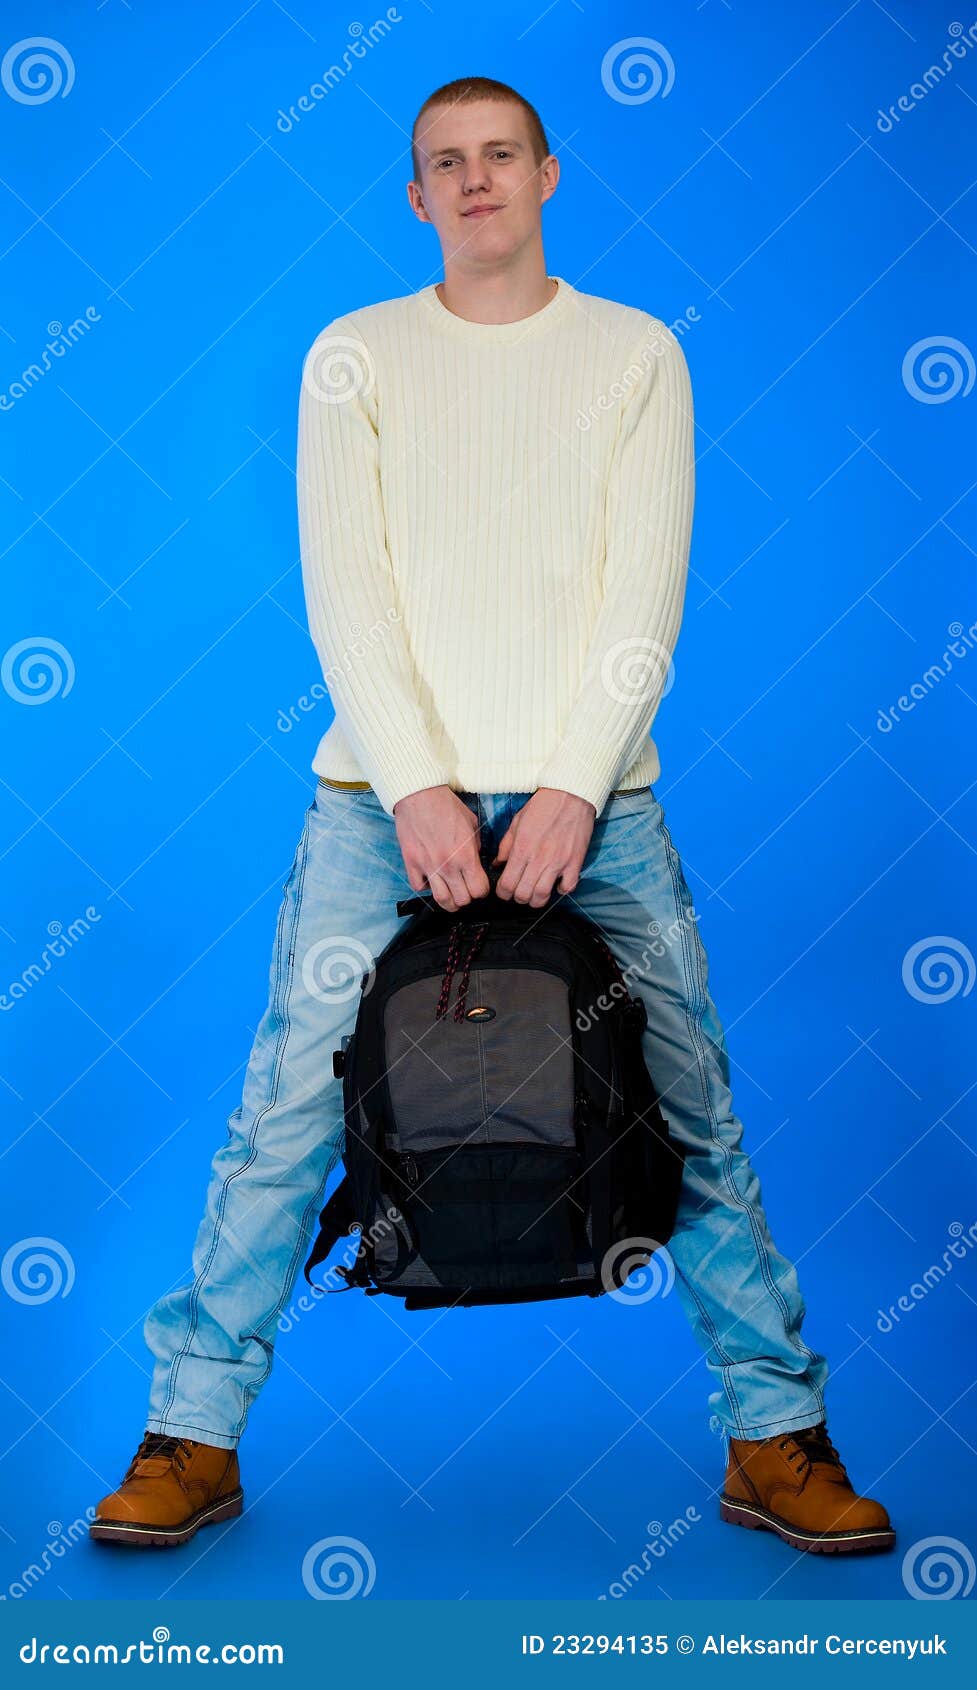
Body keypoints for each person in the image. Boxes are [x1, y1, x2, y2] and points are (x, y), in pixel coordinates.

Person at [90, 75, 894, 1558]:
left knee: (690, 1114)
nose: (473, 182)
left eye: (498, 157)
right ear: (416, 197)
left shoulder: (634, 353)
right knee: (280, 1119)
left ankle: (772, 1435)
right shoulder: (355, 357)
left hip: (595, 808)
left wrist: (575, 781)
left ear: (545, 175)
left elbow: (640, 592)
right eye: (443, 165)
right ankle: (188, 1436)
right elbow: (351, 592)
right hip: (376, 806)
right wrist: (415, 785)